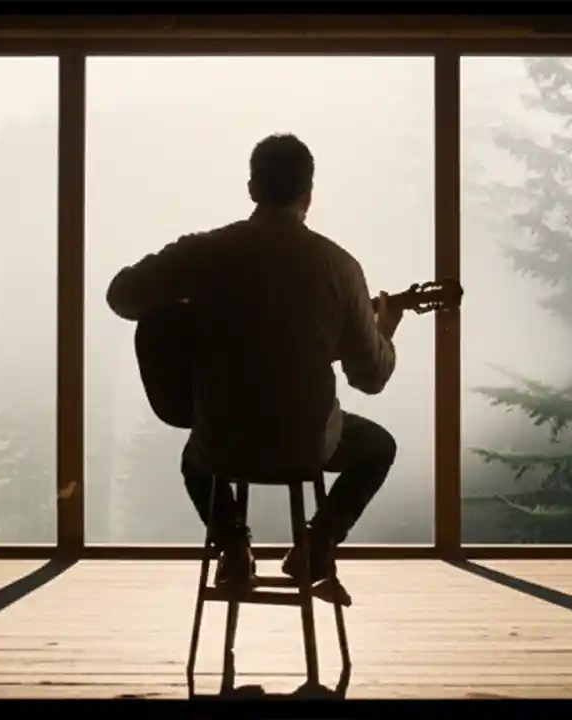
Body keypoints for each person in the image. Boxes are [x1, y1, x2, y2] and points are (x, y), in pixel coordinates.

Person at [106, 133, 401, 592]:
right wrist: (384, 328)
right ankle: (316, 546)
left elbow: (121, 296)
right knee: (378, 448)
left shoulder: (204, 252)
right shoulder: (339, 267)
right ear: (308, 195)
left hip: (222, 441)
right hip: (308, 444)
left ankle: (232, 549)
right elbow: (371, 376)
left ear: (251, 188)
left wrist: (182, 300)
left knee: (194, 458)